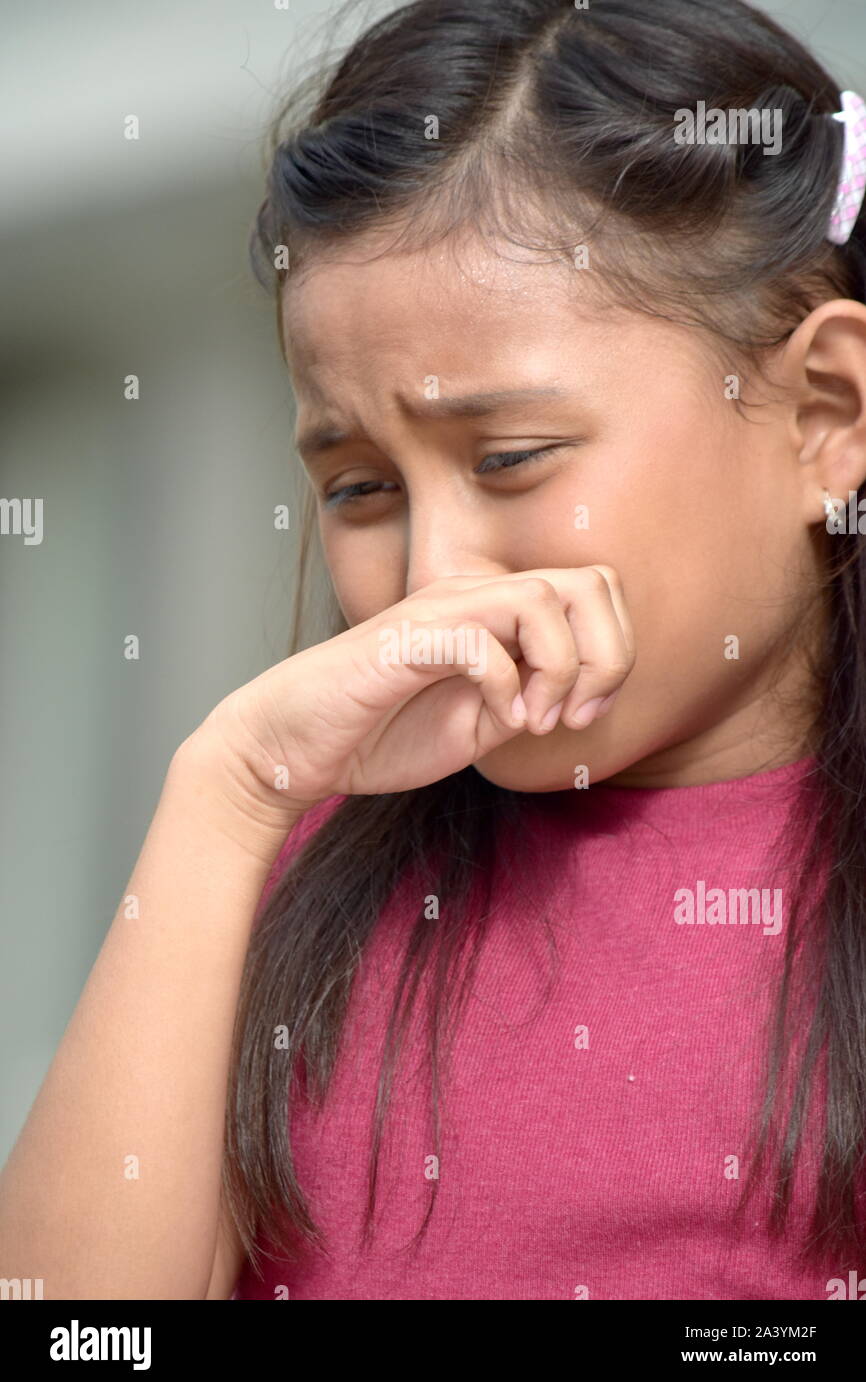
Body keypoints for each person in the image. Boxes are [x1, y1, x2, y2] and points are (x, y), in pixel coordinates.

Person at [2, 0, 866, 1300]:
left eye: (509, 458)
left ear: (820, 416)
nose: (427, 581)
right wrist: (224, 789)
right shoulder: (281, 894)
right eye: (360, 489)